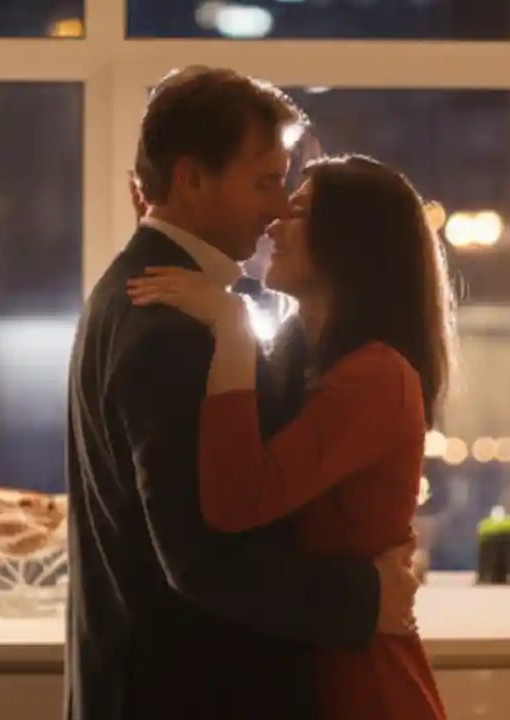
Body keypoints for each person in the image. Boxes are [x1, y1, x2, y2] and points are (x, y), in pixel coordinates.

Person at [64, 67, 419, 720]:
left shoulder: (145, 293)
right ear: (192, 179)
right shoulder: (169, 324)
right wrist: (366, 598)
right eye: (264, 182)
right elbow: (202, 561)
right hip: (194, 693)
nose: (279, 205)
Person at [126, 154, 454, 720]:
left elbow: (238, 501)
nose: (275, 220)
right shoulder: (301, 357)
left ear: (348, 241)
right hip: (317, 670)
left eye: (298, 210)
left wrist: (231, 325)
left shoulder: (377, 376)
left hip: (364, 686)